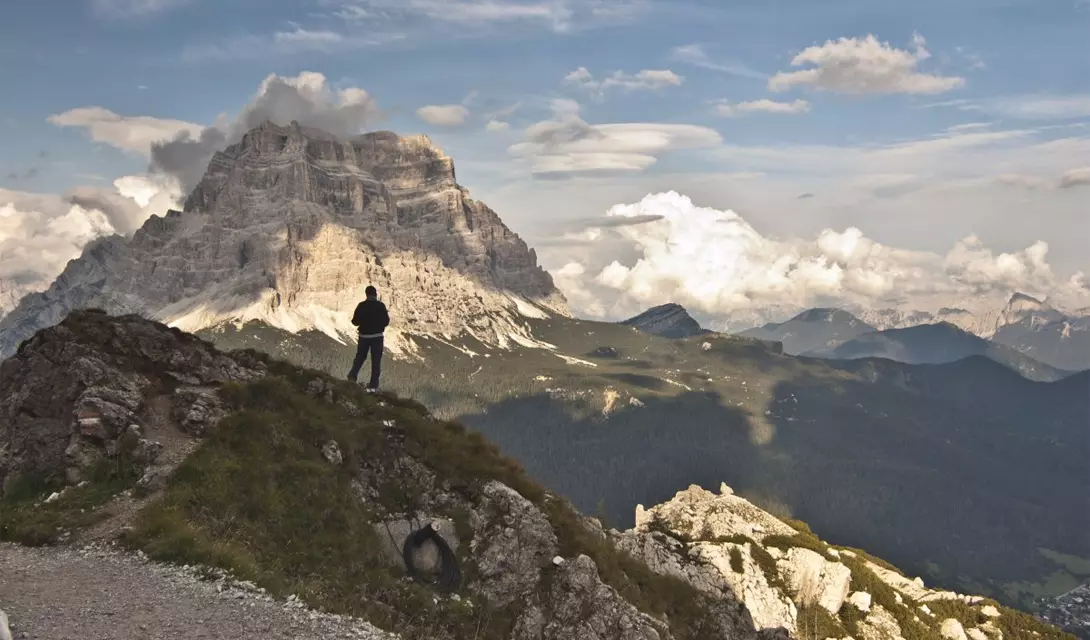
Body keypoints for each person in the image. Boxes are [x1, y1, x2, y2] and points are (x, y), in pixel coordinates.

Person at [347, 285, 390, 390]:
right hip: (377, 337)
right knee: (376, 361)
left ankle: (352, 377)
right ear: (376, 294)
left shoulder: (361, 305)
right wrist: (378, 325)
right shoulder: (381, 306)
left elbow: (355, 322)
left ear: (366, 294)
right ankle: (373, 386)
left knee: (360, 357)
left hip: (364, 336)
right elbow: (386, 321)